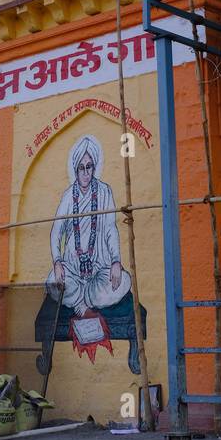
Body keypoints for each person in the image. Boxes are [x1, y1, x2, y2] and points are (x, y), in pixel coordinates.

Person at [46, 134, 131, 318]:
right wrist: (57, 262)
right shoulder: (69, 196)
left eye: (89, 167)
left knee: (123, 281)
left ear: (94, 167)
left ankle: (86, 301)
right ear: (75, 169)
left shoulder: (104, 191)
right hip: (73, 271)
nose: (85, 172)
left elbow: (110, 228)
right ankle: (80, 300)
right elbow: (56, 231)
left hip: (99, 269)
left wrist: (116, 261)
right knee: (52, 282)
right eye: (81, 168)